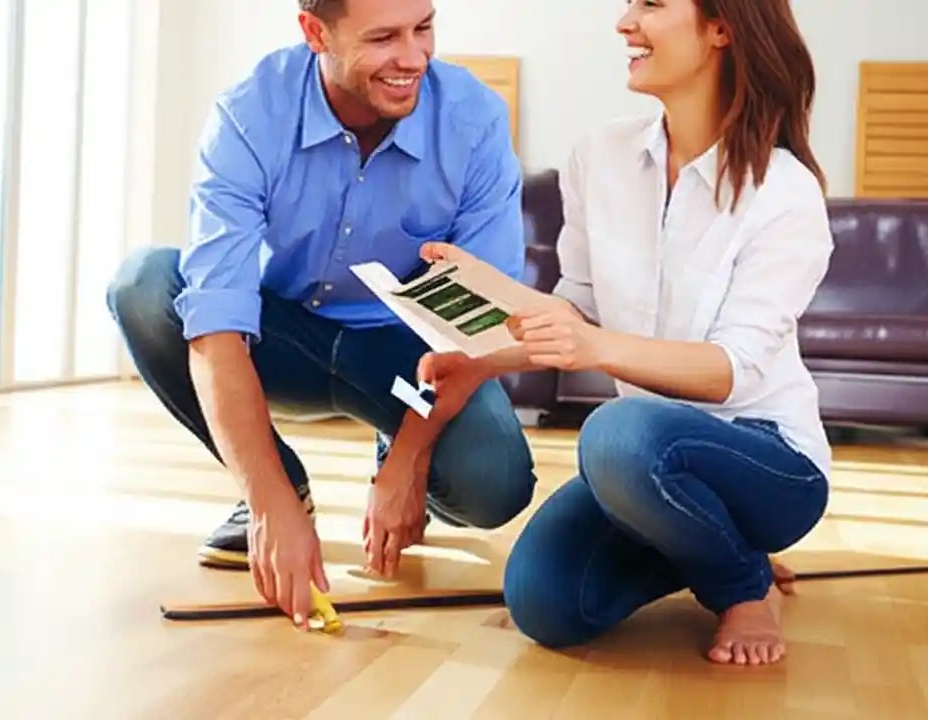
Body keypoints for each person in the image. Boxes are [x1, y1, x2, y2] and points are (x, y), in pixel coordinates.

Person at [417, 0, 832, 666]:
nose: (625, 22)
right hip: (640, 465)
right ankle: (711, 545)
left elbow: (733, 371)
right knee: (543, 602)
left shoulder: (785, 191)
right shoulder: (599, 157)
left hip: (768, 460)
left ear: (722, 27)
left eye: (652, 3)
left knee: (616, 432)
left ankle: (742, 585)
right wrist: (481, 357)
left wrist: (596, 347)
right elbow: (576, 308)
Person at [105, 0, 536, 630]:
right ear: (315, 33)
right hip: (284, 339)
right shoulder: (250, 115)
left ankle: (393, 438)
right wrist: (267, 500)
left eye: (423, 28)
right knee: (143, 285)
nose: (414, 58)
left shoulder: (473, 120)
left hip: (409, 361)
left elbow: (475, 330)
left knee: (494, 484)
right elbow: (216, 323)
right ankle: (286, 483)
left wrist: (407, 459)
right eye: (383, 38)